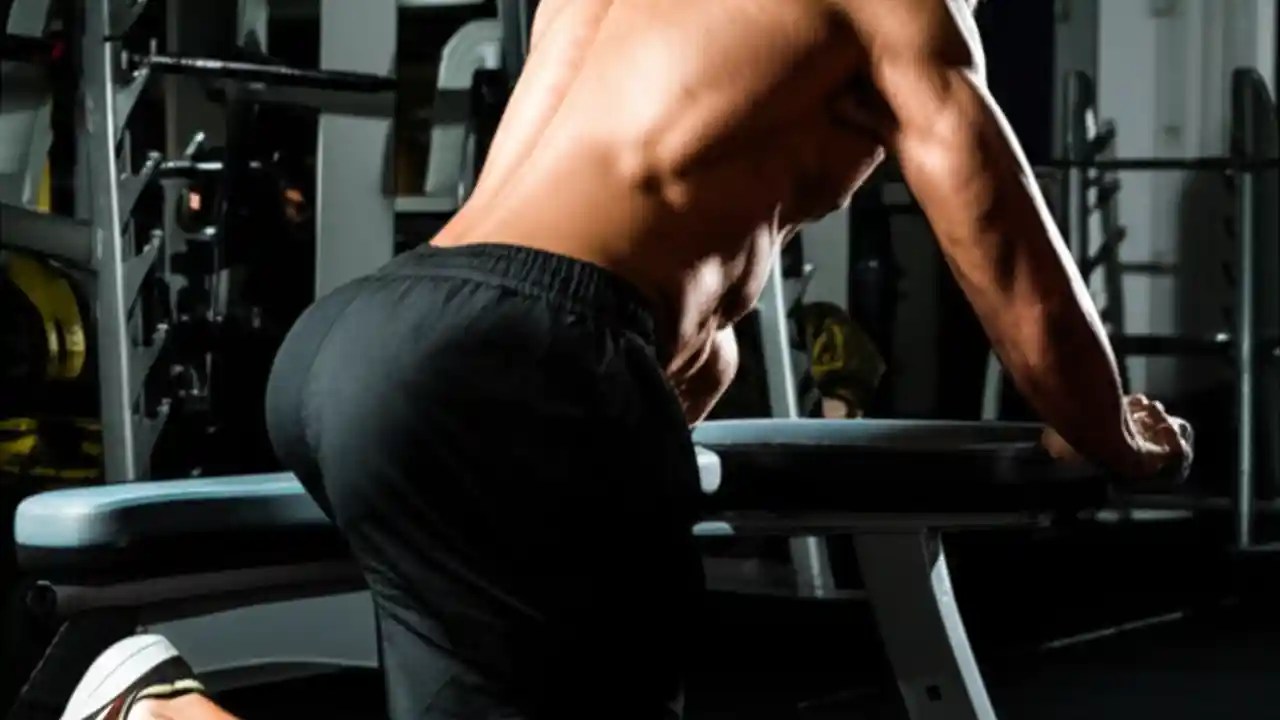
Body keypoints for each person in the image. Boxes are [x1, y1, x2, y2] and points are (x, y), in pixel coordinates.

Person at [63, 0, 1193, 718]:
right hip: (506, 363)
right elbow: (996, 230)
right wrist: (1111, 429)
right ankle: (156, 715)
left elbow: (608, 216)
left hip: (362, 335)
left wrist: (663, 365)